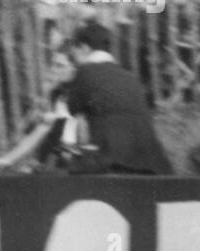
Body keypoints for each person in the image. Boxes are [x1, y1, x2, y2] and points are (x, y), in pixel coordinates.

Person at [58, 20, 173, 175]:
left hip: (112, 160)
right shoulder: (129, 76)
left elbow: (72, 109)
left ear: (84, 48)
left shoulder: (86, 71)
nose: (74, 60)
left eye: (74, 54)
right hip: (152, 161)